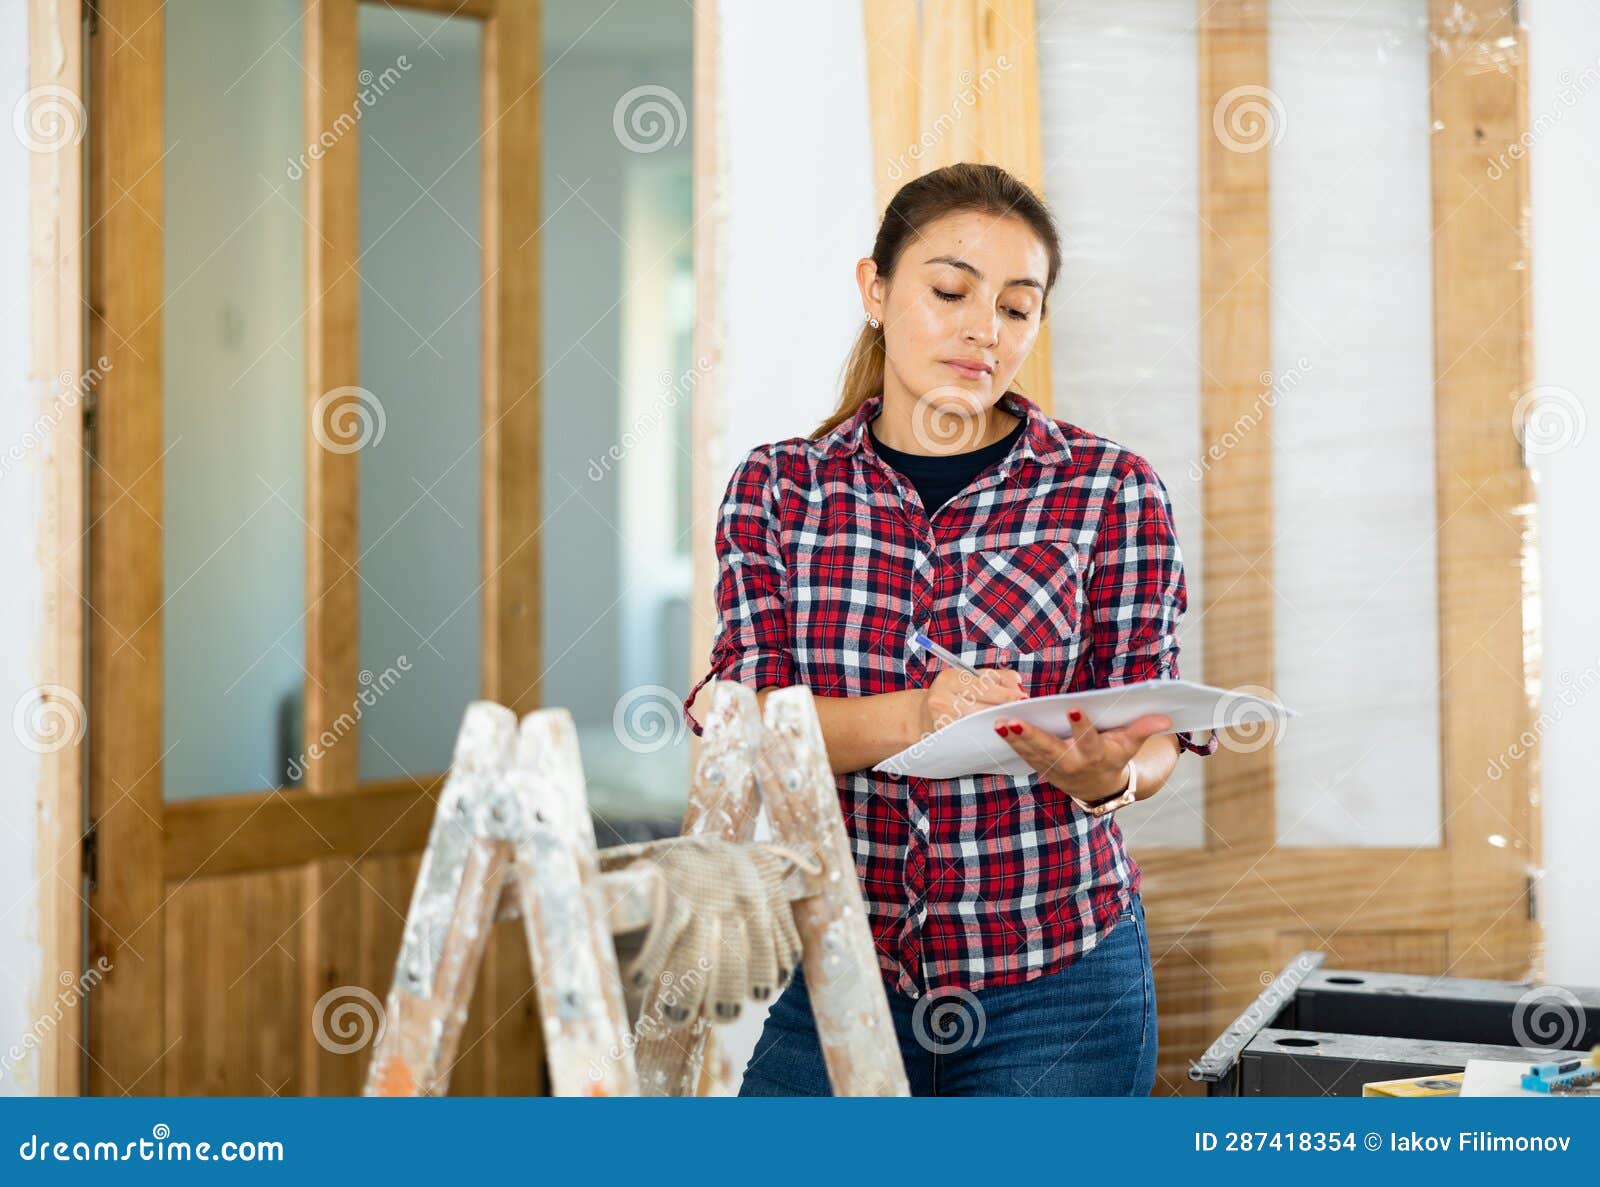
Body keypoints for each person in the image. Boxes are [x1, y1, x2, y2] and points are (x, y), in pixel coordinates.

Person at [681, 161, 1217, 1096]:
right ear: (876, 290)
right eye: (949, 290)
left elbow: (1151, 724)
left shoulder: (1110, 489)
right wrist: (921, 715)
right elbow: (752, 727)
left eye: (1017, 307)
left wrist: (1115, 774)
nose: (984, 329)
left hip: (1061, 982)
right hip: (839, 976)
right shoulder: (778, 490)